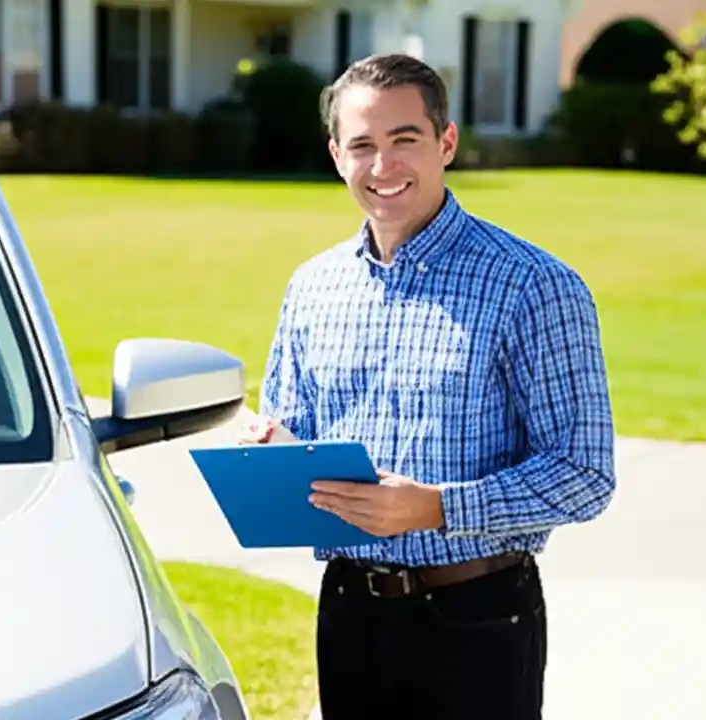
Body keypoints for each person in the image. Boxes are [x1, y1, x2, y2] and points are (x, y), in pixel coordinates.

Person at [242, 53, 616, 719]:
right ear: (336, 156)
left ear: (446, 142)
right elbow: (292, 433)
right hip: (349, 613)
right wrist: (273, 447)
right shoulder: (312, 287)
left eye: (404, 140)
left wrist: (437, 508)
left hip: (478, 620)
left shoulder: (534, 286)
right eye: (362, 145)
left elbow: (584, 474)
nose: (383, 167)